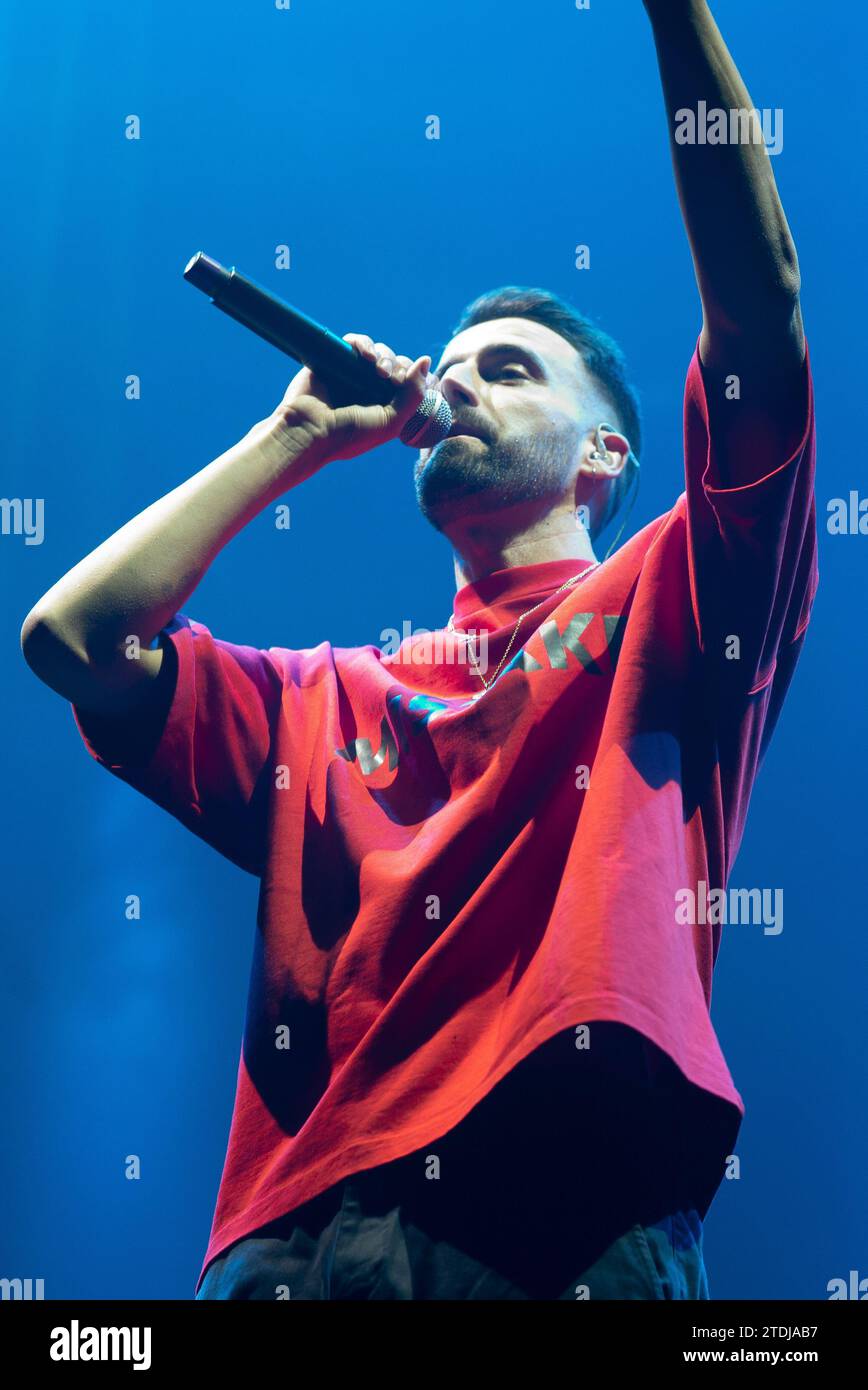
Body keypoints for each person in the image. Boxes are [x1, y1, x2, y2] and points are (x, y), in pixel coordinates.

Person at [20, 0, 817, 1300]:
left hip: (562, 1206)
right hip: (289, 1242)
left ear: (607, 454)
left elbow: (763, 307)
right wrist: (290, 441)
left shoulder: (673, 599)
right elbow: (71, 639)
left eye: (511, 368)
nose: (462, 381)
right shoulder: (319, 696)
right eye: (454, 364)